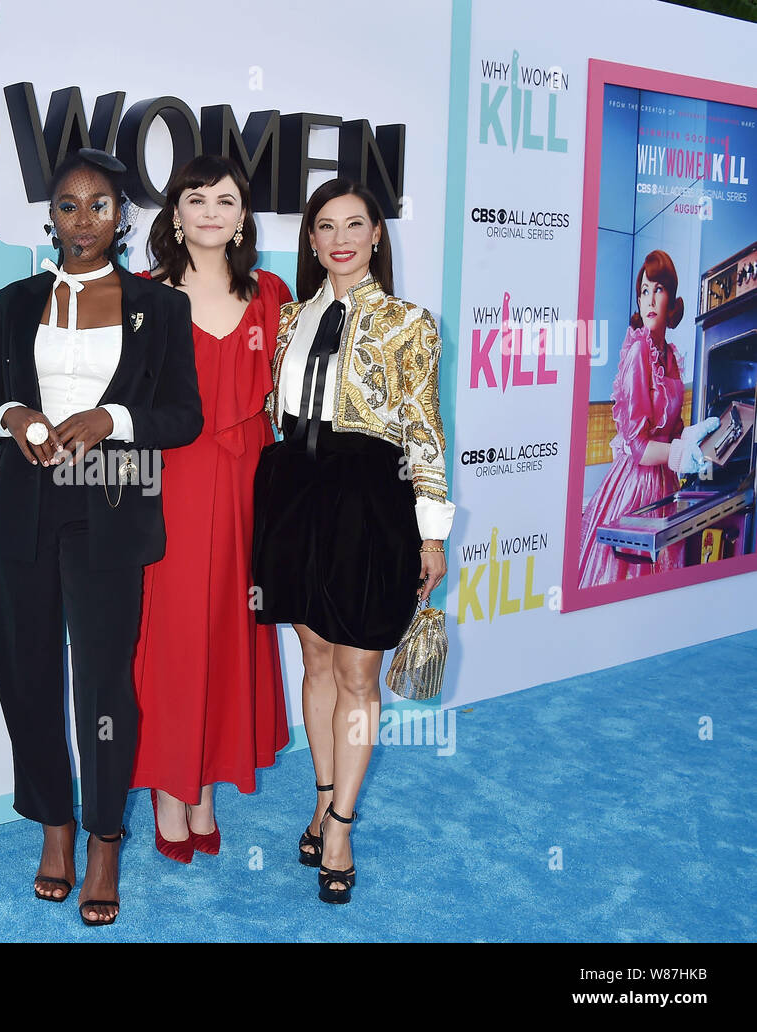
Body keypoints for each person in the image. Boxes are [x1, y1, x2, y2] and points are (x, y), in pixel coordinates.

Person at [0, 148, 202, 926]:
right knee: (26, 676)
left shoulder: (159, 309)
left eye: (100, 205)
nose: (85, 220)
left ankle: (105, 839)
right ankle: (54, 830)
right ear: (50, 218)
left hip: (108, 500)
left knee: (103, 687)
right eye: (69, 205)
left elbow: (183, 418)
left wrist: (113, 421)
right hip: (21, 507)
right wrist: (16, 418)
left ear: (123, 216)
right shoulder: (13, 300)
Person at [251, 178, 454, 904]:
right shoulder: (289, 320)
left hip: (371, 500)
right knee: (314, 657)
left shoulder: (410, 322)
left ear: (376, 237)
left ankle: (340, 826)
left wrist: (431, 537)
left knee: (359, 673)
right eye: (326, 226)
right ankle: (322, 793)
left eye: (354, 225)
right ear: (311, 241)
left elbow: (425, 432)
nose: (340, 238)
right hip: (295, 496)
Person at [130, 155, 290, 863]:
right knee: (171, 636)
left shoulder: (273, 296)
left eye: (226, 199)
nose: (211, 211)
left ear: (242, 216)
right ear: (175, 214)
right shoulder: (141, 293)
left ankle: (205, 789)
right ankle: (171, 786)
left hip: (249, 483)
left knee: (229, 631)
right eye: (196, 198)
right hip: (171, 481)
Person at [576, 249, 719, 588]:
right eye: (644, 290)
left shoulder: (670, 355)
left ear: (672, 298)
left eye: (658, 289)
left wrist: (689, 438)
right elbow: (638, 445)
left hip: (666, 484)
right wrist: (677, 453)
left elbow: (674, 429)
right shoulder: (639, 351)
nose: (650, 299)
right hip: (636, 485)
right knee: (629, 578)